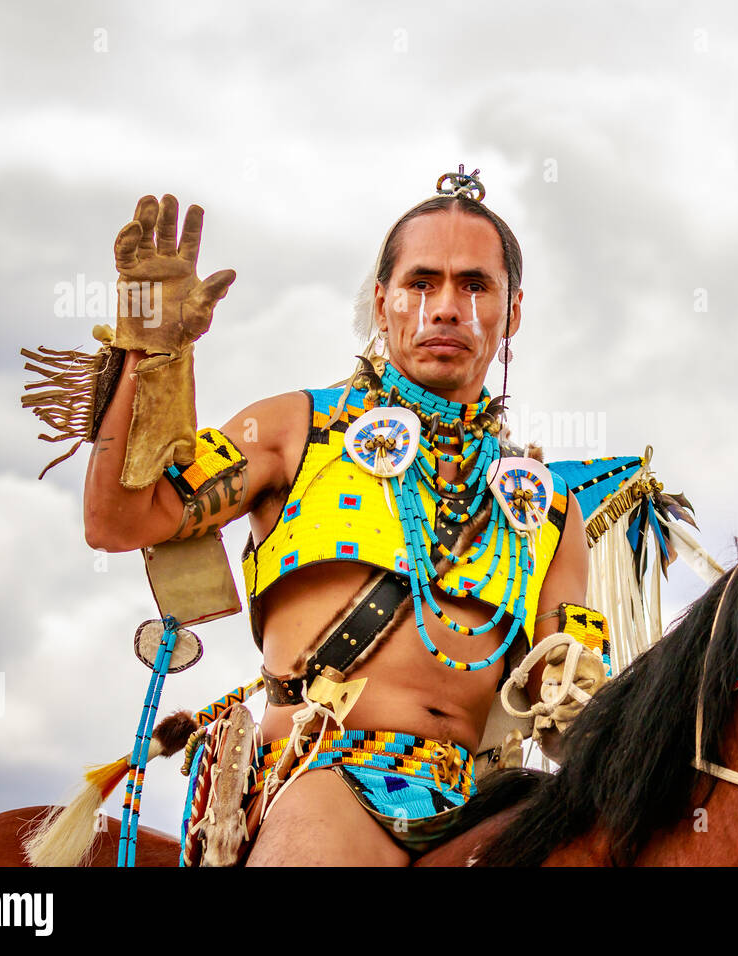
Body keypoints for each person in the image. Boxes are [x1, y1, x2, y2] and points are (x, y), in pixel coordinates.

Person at [81, 169, 595, 865]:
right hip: (320, 778)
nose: (446, 307)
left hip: (478, 801)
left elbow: (568, 692)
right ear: (382, 304)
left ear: (512, 312)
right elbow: (119, 519)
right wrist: (149, 353)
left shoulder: (549, 510)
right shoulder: (295, 430)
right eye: (421, 283)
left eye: (475, 286)